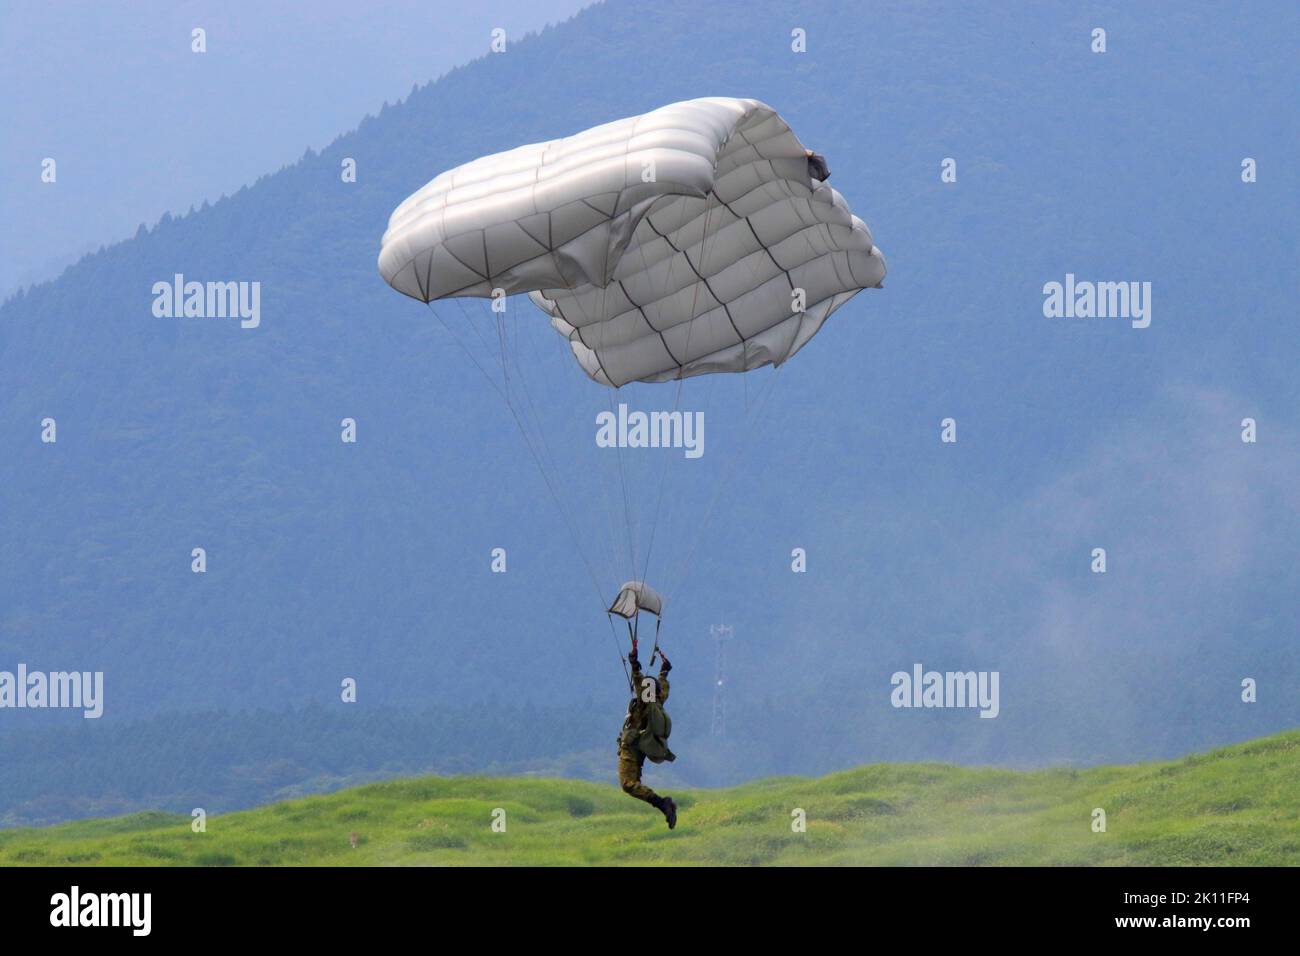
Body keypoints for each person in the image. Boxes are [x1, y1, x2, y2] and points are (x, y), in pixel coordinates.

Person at [617, 645, 677, 828]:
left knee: (628, 784)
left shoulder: (646, 699)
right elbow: (660, 686)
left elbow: (639, 683)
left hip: (632, 745)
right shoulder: (659, 700)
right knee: (633, 783)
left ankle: (662, 803)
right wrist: (664, 672)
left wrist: (634, 665)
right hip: (643, 746)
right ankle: (662, 804)